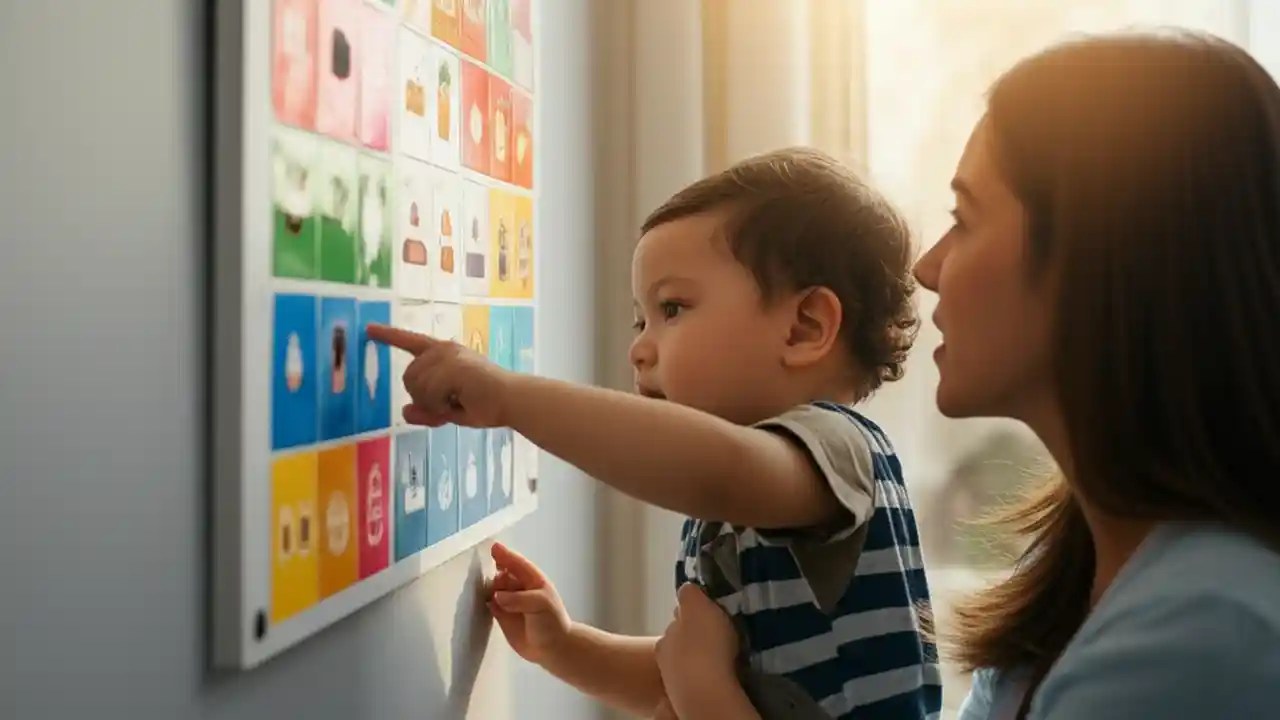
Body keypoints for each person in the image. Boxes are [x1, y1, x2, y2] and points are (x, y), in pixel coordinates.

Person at [650, 30, 1280, 720]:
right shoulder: (1079, 583)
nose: (928, 268)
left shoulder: (1201, 639)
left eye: (965, 218)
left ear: (1095, 262)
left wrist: (705, 695)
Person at [369, 148, 943, 719]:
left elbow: (718, 470)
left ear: (804, 327)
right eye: (640, 319)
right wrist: (567, 646)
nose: (639, 348)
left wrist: (510, 396)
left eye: (672, 308)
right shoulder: (743, 502)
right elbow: (685, 671)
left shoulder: (841, 448)